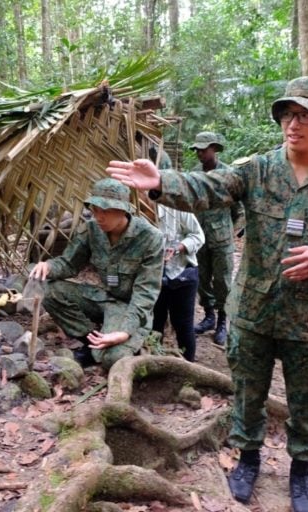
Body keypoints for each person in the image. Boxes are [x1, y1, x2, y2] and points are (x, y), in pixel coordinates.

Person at [107, 76, 308, 512]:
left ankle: (302, 475)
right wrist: (161, 181)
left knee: (306, 402)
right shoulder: (258, 169)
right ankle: (248, 460)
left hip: (306, 317)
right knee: (247, 393)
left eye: (304, 116)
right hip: (251, 312)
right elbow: (210, 188)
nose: (292, 124)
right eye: (286, 115)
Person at [27, 178, 164, 372]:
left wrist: (124, 331)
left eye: (106, 211)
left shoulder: (150, 238)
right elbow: (68, 264)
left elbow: (146, 292)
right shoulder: (91, 230)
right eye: (95, 209)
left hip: (130, 308)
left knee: (113, 360)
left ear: (123, 209)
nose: (99, 216)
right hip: (105, 298)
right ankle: (93, 340)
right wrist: (48, 266)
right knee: (51, 291)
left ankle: (111, 344)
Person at [187, 132, 244, 345]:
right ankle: (209, 316)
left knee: (222, 281)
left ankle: (222, 320)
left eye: (204, 149)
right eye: (198, 150)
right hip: (198, 237)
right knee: (201, 278)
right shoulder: (194, 174)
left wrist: (230, 232)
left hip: (222, 240)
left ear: (215, 149)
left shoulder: (229, 175)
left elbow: (239, 211)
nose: (200, 153)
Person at [151, 204, 204, 362]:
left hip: (182, 274)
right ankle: (153, 364)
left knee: (183, 325)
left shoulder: (174, 207)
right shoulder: (132, 212)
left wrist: (178, 248)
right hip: (151, 277)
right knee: (154, 324)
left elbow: (198, 236)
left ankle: (188, 369)